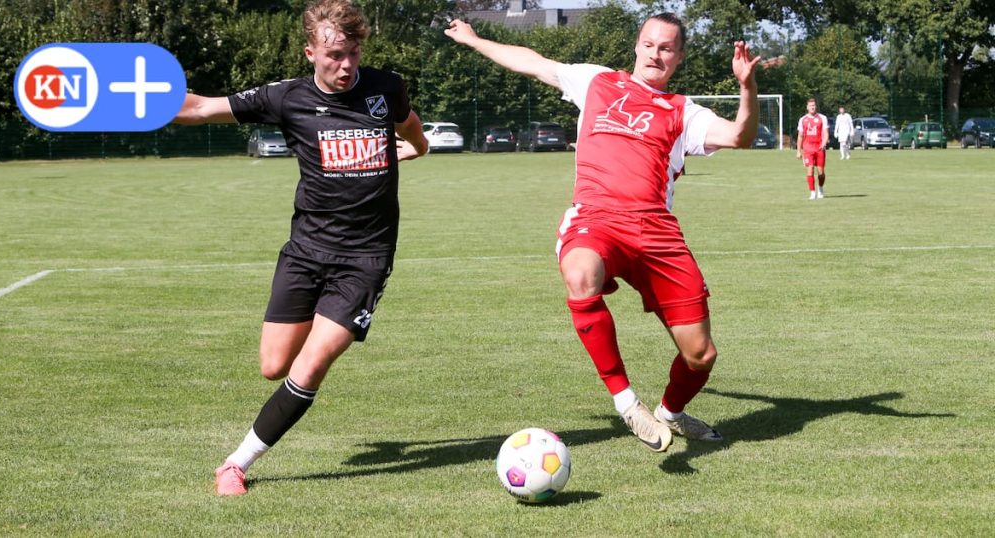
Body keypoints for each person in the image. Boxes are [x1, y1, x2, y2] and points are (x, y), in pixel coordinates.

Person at [445, 13, 761, 452]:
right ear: (636, 46)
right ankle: (628, 404)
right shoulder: (596, 82)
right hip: (598, 218)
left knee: (700, 354)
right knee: (580, 275)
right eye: (649, 44)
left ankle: (669, 413)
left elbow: (740, 136)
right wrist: (475, 40)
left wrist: (747, 86)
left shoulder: (683, 111)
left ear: (679, 56)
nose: (655, 53)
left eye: (666, 47)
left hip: (656, 233)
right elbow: (531, 61)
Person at [174, 0, 429, 495]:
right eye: (335, 55)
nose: (347, 65)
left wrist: (417, 147)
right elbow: (203, 107)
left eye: (354, 53)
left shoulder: (385, 87)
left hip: (366, 259)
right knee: (274, 366)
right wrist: (133, 103)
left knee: (312, 364)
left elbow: (408, 120)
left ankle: (235, 464)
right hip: (305, 252)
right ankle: (319, 329)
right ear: (311, 50)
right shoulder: (285, 98)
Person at [796, 98, 829, 199]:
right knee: (810, 170)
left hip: (819, 148)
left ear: (816, 106)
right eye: (810, 105)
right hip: (808, 148)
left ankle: (820, 188)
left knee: (821, 172)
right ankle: (812, 192)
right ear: (807, 107)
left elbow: (826, 133)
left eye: (814, 105)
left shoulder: (822, 118)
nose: (812, 107)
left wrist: (823, 143)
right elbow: (800, 136)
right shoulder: (803, 120)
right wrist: (798, 151)